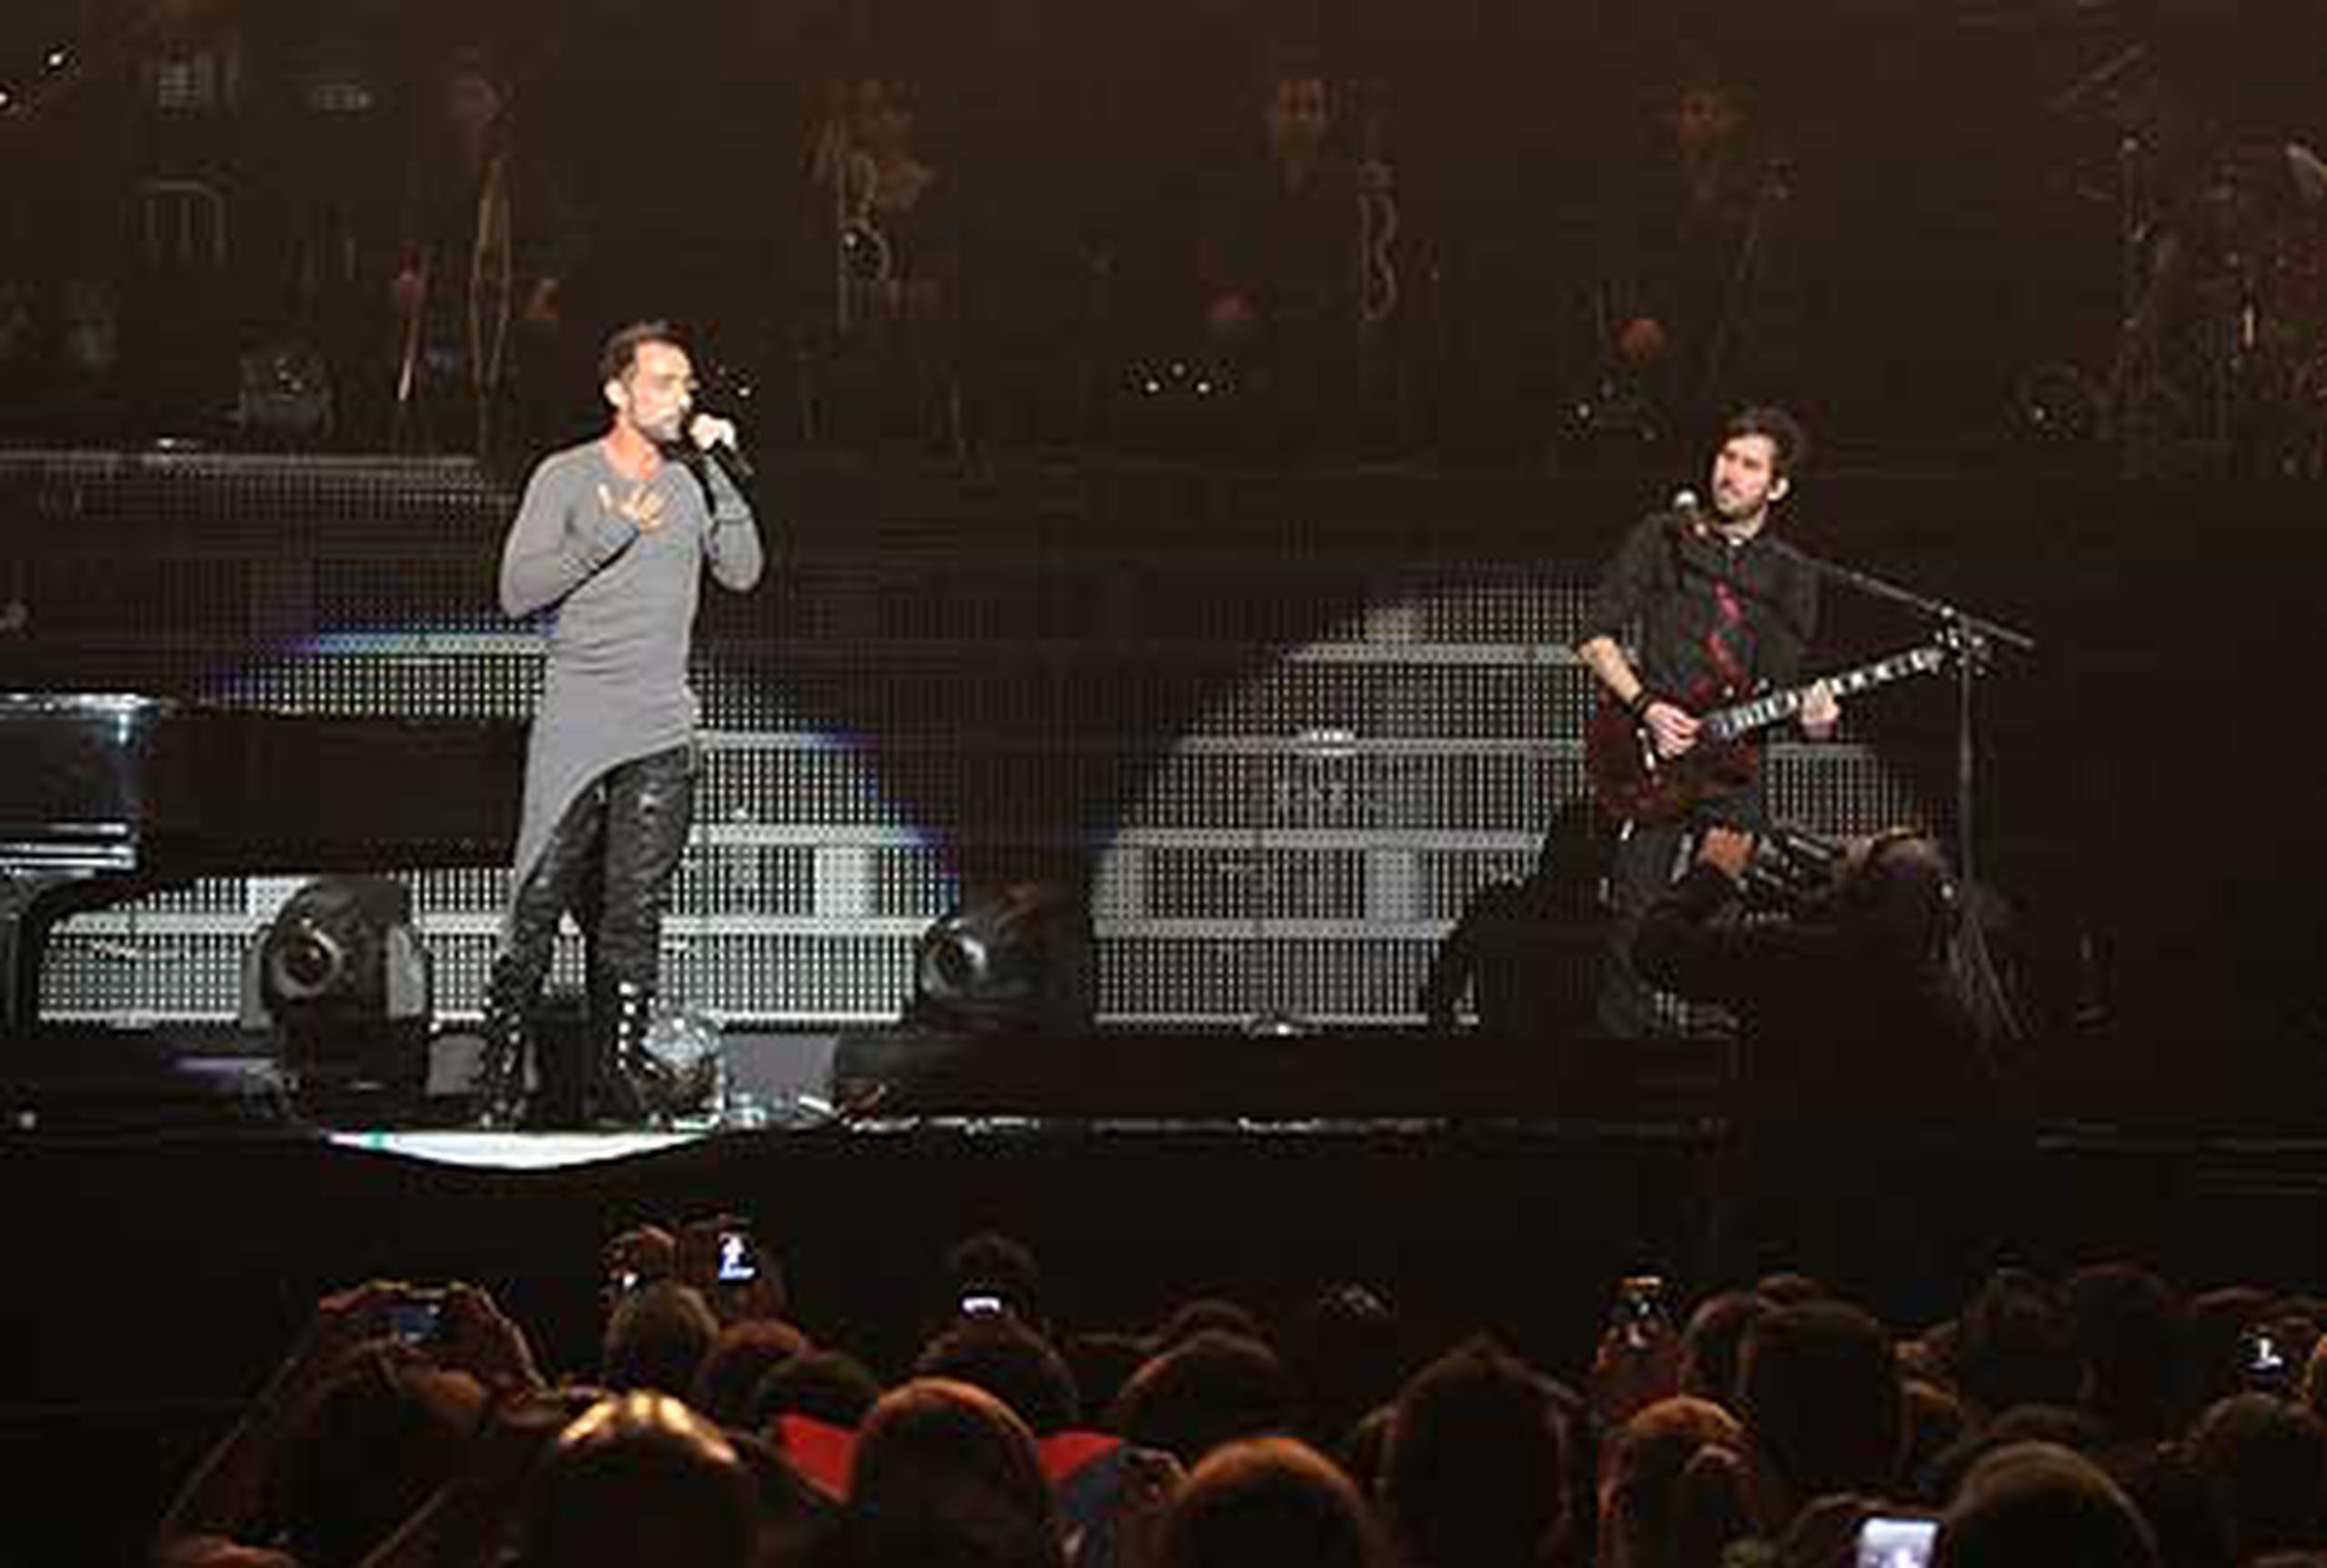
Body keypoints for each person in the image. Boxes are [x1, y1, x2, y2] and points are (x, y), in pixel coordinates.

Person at [477, 320, 765, 1126]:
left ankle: (618, 1080)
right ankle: (497, 1081)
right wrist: (608, 533)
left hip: (659, 725)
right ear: (618, 391)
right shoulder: (566, 475)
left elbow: (743, 572)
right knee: (538, 900)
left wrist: (720, 473)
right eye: (664, 382)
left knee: (633, 911)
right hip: (579, 720)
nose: (681, 396)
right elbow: (516, 591)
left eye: (687, 384)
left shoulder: (691, 481)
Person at [1573, 404, 1834, 1038]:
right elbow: (1593, 636)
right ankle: (1623, 1055)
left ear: (1777, 486)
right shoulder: (1665, 537)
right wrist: (1646, 706)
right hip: (1653, 755)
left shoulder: (1793, 573)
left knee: (1722, 926)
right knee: (1636, 917)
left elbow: (1785, 687)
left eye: (1750, 466)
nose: (1730, 474)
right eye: (1727, 457)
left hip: (1735, 770)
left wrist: (1817, 719)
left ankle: (1718, 1066)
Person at [389, 46, 584, 457]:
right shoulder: (434, 165)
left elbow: (564, 236)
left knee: (507, 414)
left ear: (496, 102)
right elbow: (414, 228)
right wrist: (408, 272)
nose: (467, 109)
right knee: (444, 405)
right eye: (459, 97)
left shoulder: (523, 166)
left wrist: (543, 294)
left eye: (476, 96)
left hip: (511, 308)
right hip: (448, 311)